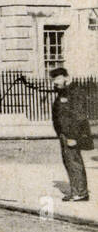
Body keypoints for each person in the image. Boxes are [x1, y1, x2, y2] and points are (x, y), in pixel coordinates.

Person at [48, 68, 90, 202]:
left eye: (58, 79)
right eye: (53, 80)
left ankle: (80, 193)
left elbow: (78, 116)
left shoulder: (74, 91)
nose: (55, 82)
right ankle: (76, 191)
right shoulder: (64, 92)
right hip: (64, 133)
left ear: (67, 77)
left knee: (74, 162)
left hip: (71, 134)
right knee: (69, 162)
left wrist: (73, 136)